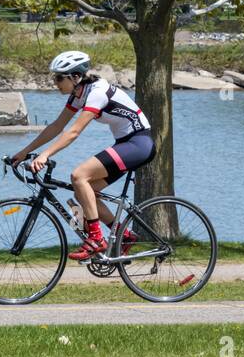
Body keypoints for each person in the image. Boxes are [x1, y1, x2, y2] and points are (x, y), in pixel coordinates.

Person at [11, 50, 154, 260]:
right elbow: (57, 126)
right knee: (84, 192)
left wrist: (45, 155)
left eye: (59, 77)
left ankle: (96, 239)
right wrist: (25, 152)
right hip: (126, 143)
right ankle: (126, 236)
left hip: (138, 143)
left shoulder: (97, 92)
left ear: (75, 77)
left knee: (79, 176)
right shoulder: (79, 94)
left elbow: (74, 131)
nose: (55, 82)